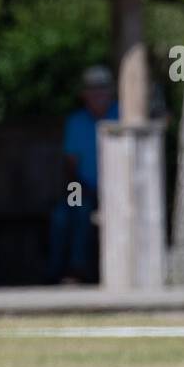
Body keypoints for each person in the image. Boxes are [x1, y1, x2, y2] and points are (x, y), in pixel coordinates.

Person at [47, 65, 118, 283]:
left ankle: (77, 272)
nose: (98, 94)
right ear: (84, 94)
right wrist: (83, 188)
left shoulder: (123, 115)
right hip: (80, 187)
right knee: (63, 214)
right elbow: (70, 166)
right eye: (92, 89)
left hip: (117, 190)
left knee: (83, 212)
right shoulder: (75, 122)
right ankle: (55, 273)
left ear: (111, 91)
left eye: (103, 88)